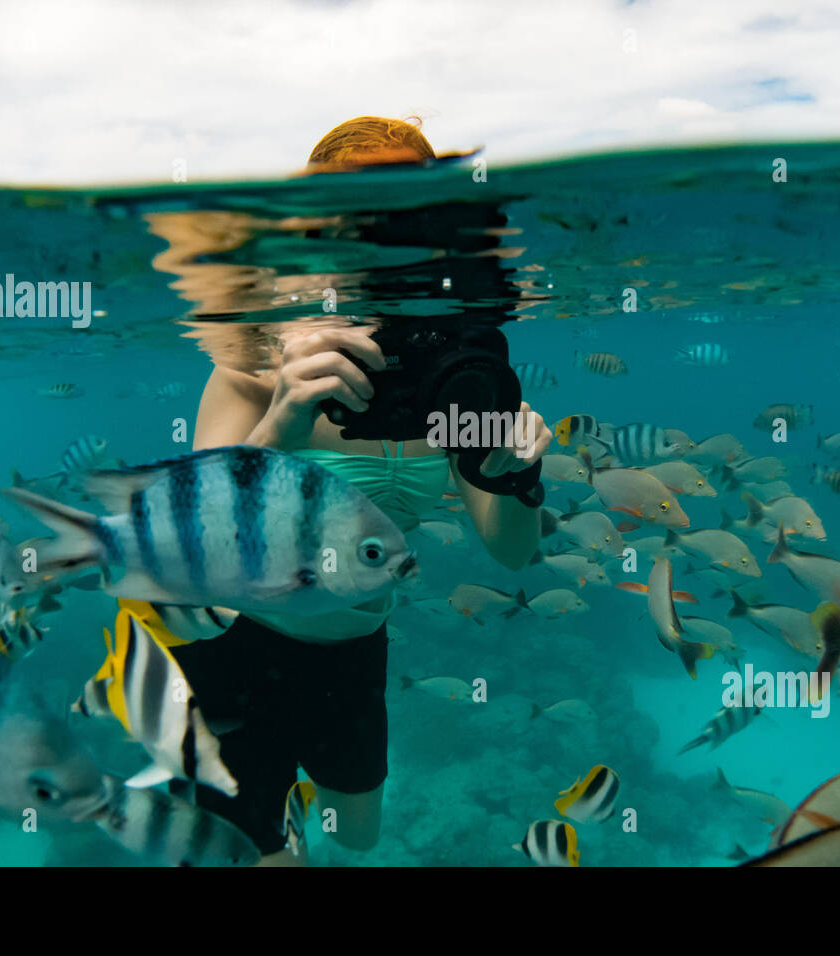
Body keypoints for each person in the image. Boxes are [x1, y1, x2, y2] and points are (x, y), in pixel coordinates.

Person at [162, 116, 553, 866]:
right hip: (238, 647)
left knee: (360, 837)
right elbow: (195, 547)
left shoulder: (459, 381)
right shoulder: (257, 363)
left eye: (409, 223)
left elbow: (511, 555)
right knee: (244, 854)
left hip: (354, 649)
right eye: (356, 230)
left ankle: (289, 815)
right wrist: (280, 419)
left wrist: (520, 477)